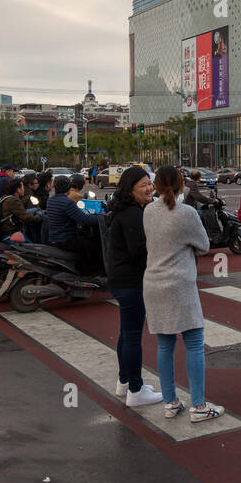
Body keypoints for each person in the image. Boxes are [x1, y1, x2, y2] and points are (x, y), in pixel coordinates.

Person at [142, 165, 224, 423]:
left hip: (153, 283)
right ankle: (198, 406)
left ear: (155, 186)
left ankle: (170, 401)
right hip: (180, 284)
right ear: (181, 186)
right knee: (194, 343)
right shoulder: (186, 213)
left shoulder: (148, 211)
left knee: (165, 344)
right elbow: (203, 245)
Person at [107, 166, 160, 407]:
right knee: (132, 337)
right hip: (130, 282)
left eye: (150, 183)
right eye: (143, 185)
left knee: (125, 334)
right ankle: (136, 391)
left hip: (122, 280)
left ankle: (125, 382)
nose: (149, 188)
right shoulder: (133, 214)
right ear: (130, 190)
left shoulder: (128, 211)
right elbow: (139, 251)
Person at [45, 175, 102, 272]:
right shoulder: (67, 202)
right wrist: (101, 218)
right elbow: (83, 219)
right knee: (93, 245)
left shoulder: (51, 200)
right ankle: (88, 272)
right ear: (68, 187)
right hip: (65, 240)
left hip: (53, 238)